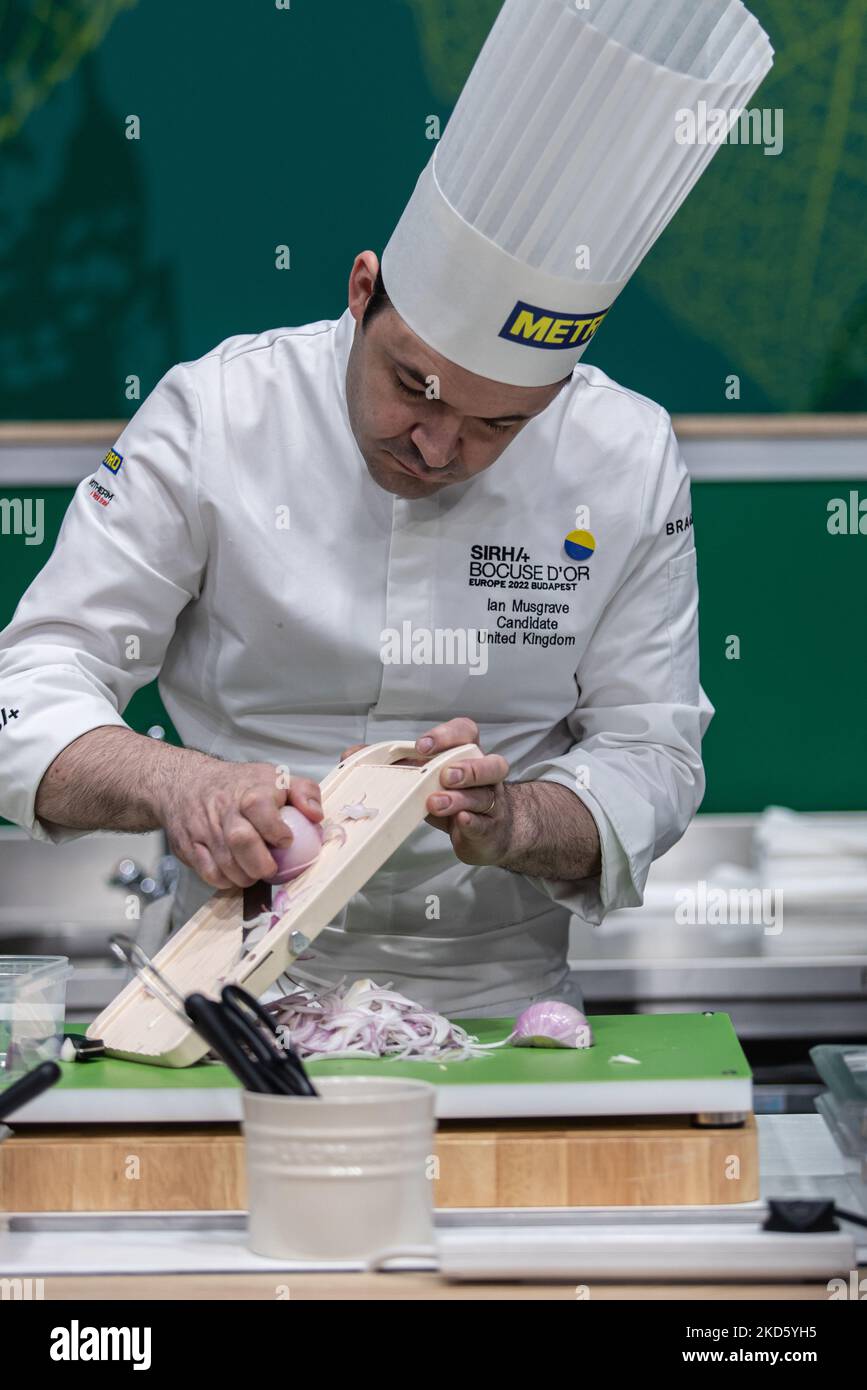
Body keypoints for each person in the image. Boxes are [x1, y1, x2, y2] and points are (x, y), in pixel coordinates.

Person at [0, 0, 774, 1016]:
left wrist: (522, 820)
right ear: (362, 294)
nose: (439, 446)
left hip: (501, 1015)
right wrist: (179, 785)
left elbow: (652, 754)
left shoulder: (624, 458)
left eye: (500, 425)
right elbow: (30, 683)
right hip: (219, 1005)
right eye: (414, 387)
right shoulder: (217, 415)